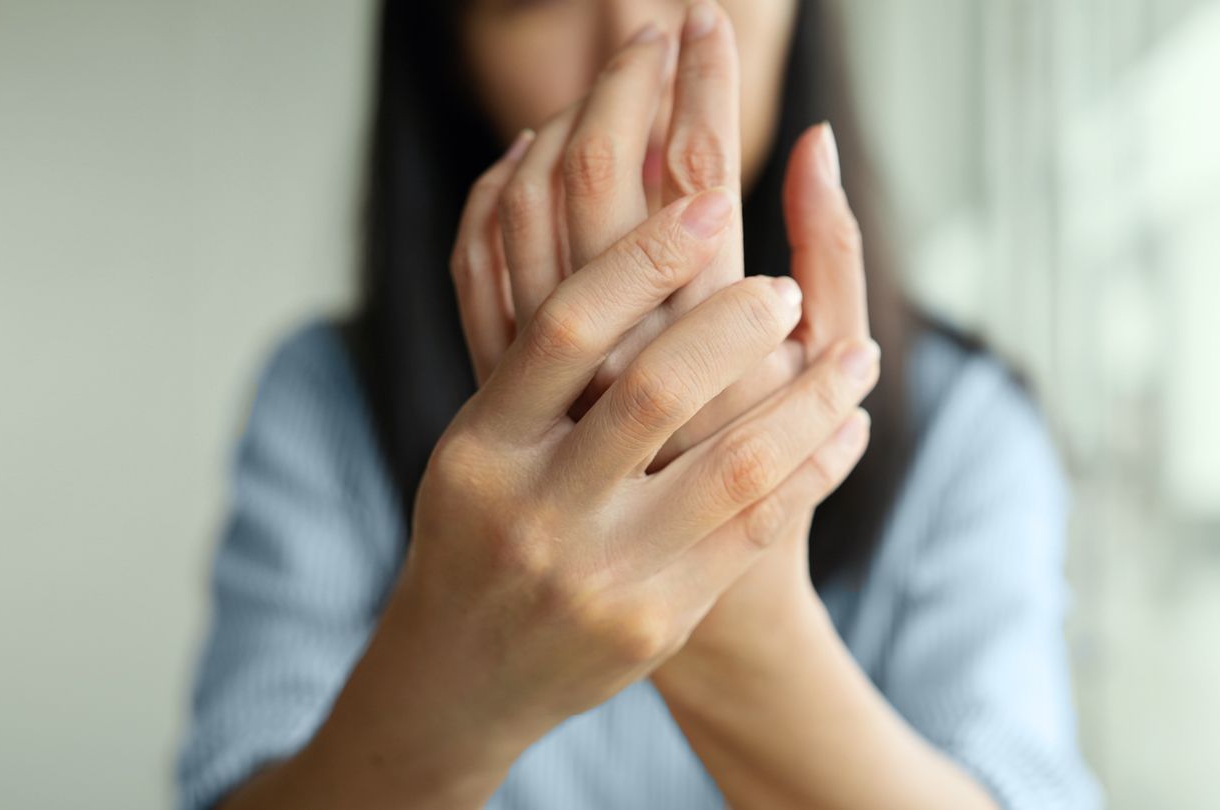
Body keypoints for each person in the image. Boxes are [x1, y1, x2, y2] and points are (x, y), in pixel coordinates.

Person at [178, 2, 1100, 808]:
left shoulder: (967, 426)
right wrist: (452, 679)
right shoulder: (328, 402)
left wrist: (740, 628)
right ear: (446, 58)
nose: (637, 39)